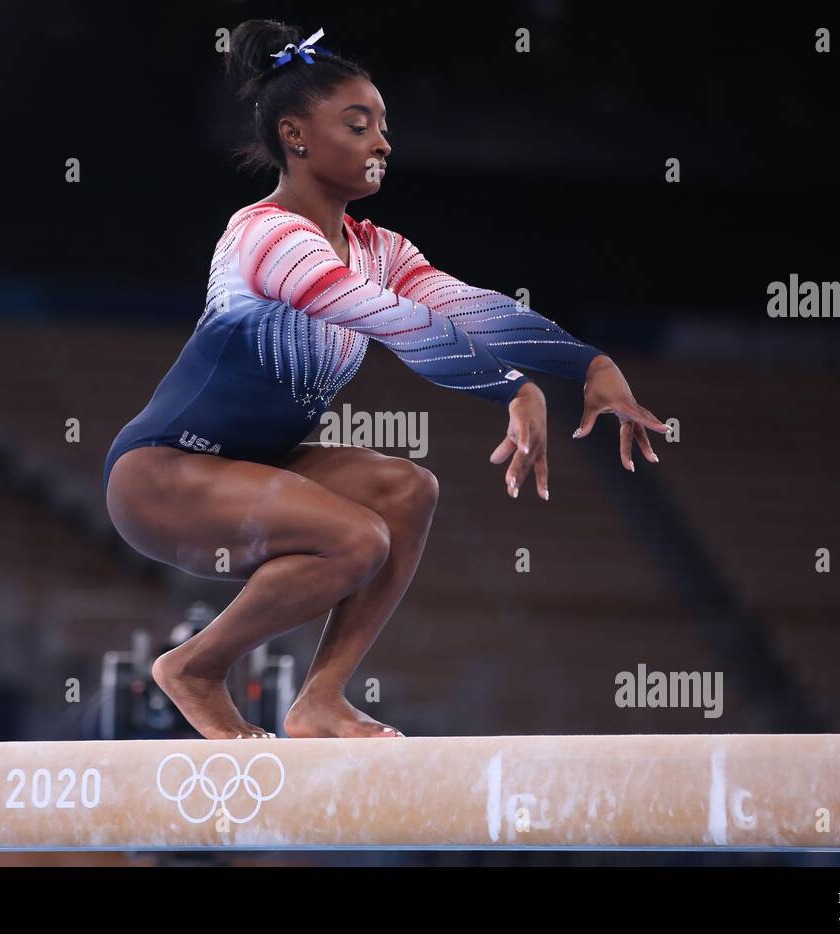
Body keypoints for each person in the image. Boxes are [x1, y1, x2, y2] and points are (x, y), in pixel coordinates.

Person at [103, 20, 668, 740]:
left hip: (249, 468)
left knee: (408, 491)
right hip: (160, 476)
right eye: (358, 123)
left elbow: (470, 309)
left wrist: (591, 363)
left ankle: (321, 699)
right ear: (297, 136)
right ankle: (195, 668)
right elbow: (396, 323)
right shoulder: (267, 237)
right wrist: (511, 389)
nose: (382, 142)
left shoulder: (376, 247)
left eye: (384, 126)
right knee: (355, 539)